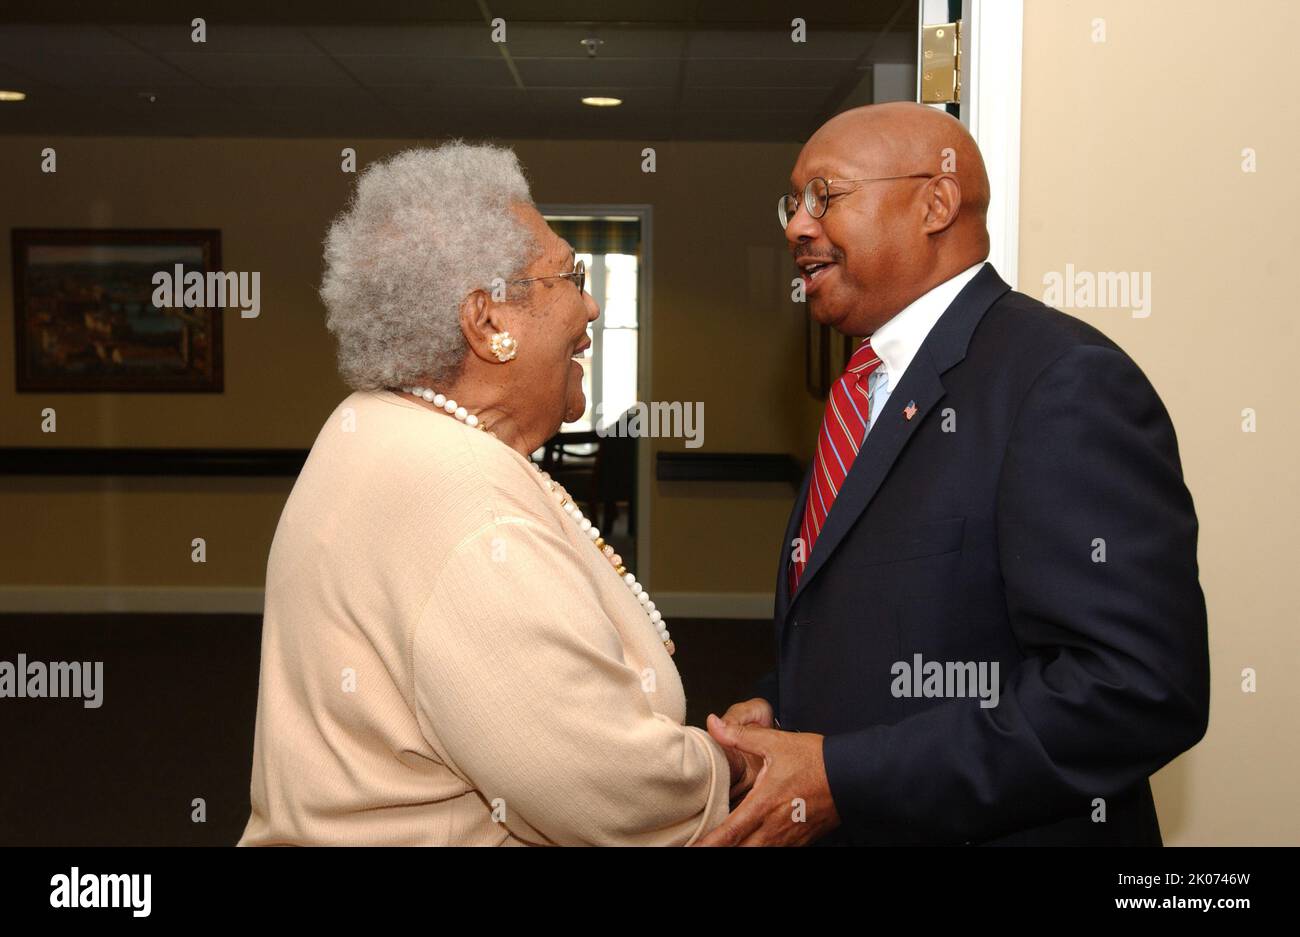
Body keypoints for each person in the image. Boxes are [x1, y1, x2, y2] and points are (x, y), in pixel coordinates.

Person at [704, 102, 1210, 846]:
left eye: (826, 196)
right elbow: (897, 619)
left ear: (935, 202)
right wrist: (782, 709)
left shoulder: (1062, 383)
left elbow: (1133, 689)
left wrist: (846, 773)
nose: (796, 226)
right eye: (794, 202)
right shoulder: (868, 384)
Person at [239, 142, 734, 846]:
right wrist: (730, 766)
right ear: (490, 321)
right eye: (568, 276)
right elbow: (596, 783)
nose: (590, 305)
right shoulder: (460, 499)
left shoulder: (372, 424)